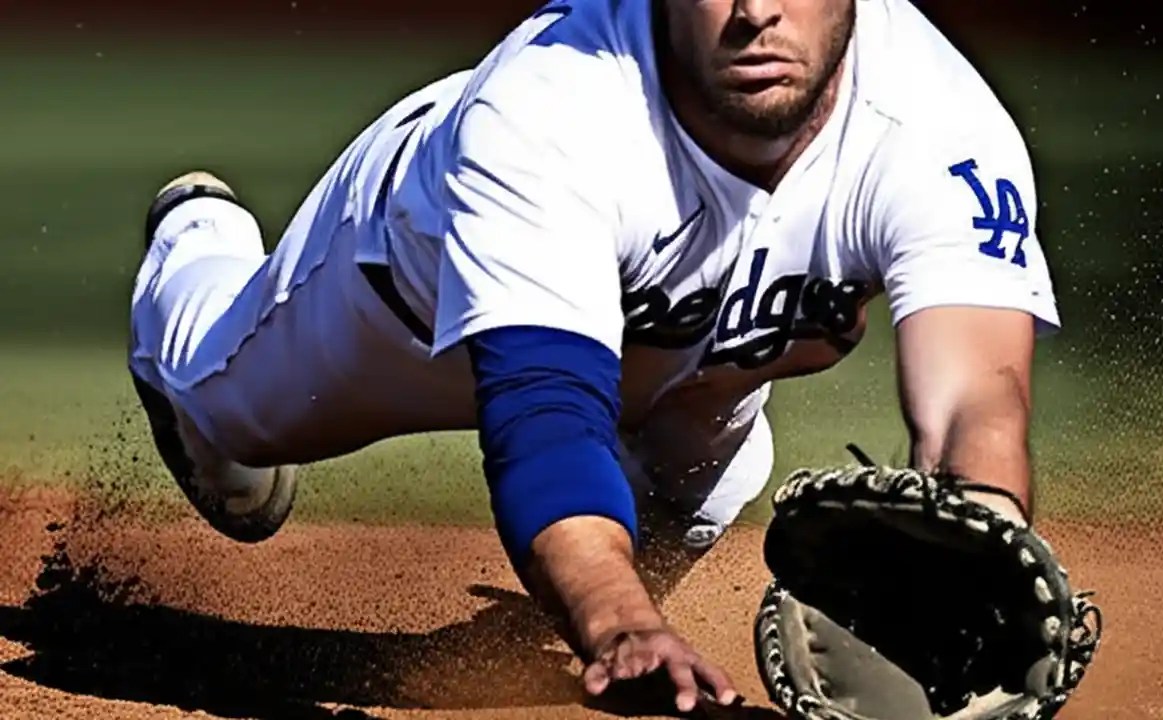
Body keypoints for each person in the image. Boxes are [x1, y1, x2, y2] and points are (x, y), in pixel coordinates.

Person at [128, 0, 1059, 712]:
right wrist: (623, 625)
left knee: (710, 488)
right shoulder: (550, 109)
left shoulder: (937, 121)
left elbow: (977, 393)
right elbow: (543, 422)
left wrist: (984, 530)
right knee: (224, 407)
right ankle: (197, 243)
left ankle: (568, 604)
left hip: (704, 362)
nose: (756, 11)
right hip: (403, 312)